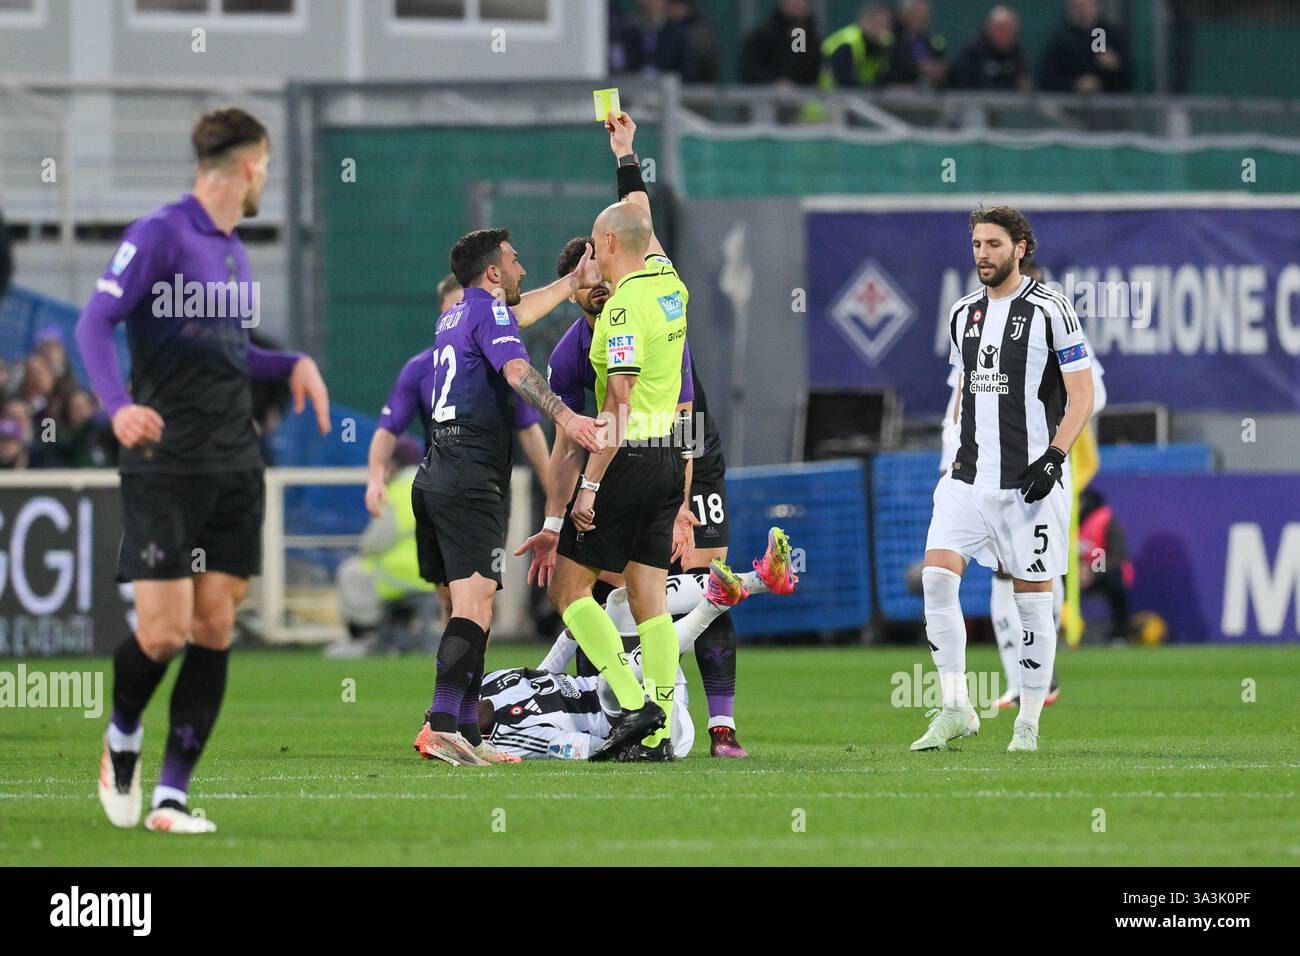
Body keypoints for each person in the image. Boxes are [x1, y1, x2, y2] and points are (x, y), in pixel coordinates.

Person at [77, 107, 332, 834]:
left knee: (215, 626)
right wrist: (117, 405)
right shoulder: (159, 233)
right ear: (252, 164)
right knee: (163, 633)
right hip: (165, 461)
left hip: (234, 463)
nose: (267, 181)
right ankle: (122, 735)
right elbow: (94, 322)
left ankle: (171, 798)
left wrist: (292, 364)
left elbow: (233, 353)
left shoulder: (231, 249)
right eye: (268, 168)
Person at [408, 229, 604, 767]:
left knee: (477, 606)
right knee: (474, 607)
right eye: (515, 263)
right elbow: (517, 370)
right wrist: (570, 417)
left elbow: (514, 318)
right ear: (493, 272)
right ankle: (442, 724)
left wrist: (570, 283)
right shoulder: (489, 313)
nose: (521, 271)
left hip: (436, 473)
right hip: (470, 478)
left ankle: (467, 730)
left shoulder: (455, 315)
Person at [539, 111, 692, 763]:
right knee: (647, 595)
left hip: (627, 457)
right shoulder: (668, 281)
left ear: (611, 242)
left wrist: (589, 488)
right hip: (667, 460)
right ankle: (657, 727)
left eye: (597, 245)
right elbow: (639, 209)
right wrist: (626, 152)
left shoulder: (624, 308)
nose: (592, 255)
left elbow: (619, 406)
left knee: (568, 591)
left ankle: (632, 703)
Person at [913, 205, 1094, 754]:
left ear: (1020, 247)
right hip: (966, 478)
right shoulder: (962, 313)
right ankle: (955, 707)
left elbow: (1081, 394)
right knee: (936, 579)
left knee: (1033, 600)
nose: (983, 255)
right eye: (976, 245)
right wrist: (950, 446)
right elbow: (964, 388)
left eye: (994, 244)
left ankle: (1028, 723)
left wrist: (1054, 457)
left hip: (1028, 483)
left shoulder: (1051, 310)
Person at [483, 539, 795, 761]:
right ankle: (714, 604)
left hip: (656, 686)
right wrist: (631, 745)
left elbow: (545, 673)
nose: (434, 711)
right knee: (611, 684)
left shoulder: (489, 683)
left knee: (624, 600)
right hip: (659, 729)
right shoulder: (507, 736)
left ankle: (761, 579)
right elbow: (581, 747)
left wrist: (577, 628)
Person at [365, 273, 554, 630]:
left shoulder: (502, 364)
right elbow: (388, 429)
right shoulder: (419, 369)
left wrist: (552, 491)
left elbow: (528, 429)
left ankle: (470, 681)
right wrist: (375, 477)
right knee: (448, 595)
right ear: (443, 313)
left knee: (479, 596)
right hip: (440, 485)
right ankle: (456, 675)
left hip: (489, 488)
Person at [1037, 0, 1132, 94]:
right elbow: (1046, 77)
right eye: (1077, 6)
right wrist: (1075, 85)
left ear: (1095, 6)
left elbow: (1128, 76)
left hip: (1109, 104)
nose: (1082, 11)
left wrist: (1115, 66)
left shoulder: (1110, 35)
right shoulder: (1059, 38)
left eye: (1086, 5)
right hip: (1068, 104)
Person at [740, 0, 822, 87]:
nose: (796, 3)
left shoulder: (810, 38)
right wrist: (774, 83)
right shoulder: (762, 36)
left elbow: (811, 71)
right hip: (764, 97)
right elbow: (751, 69)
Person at [949, 5, 1030, 92]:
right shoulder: (973, 52)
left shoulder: (1017, 53)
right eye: (999, 28)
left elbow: (1022, 82)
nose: (1003, 33)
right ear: (988, 28)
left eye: (1008, 29)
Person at [819, 3, 896, 90]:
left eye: (885, 23)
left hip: (862, 96)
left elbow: (885, 76)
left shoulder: (886, 42)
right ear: (864, 21)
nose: (881, 28)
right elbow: (845, 81)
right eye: (876, 22)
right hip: (827, 97)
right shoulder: (848, 42)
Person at [888, 0, 947, 89]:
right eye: (916, 14)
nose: (921, 19)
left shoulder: (931, 40)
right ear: (904, 15)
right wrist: (919, 67)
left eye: (925, 14)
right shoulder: (891, 38)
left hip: (928, 93)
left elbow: (941, 62)